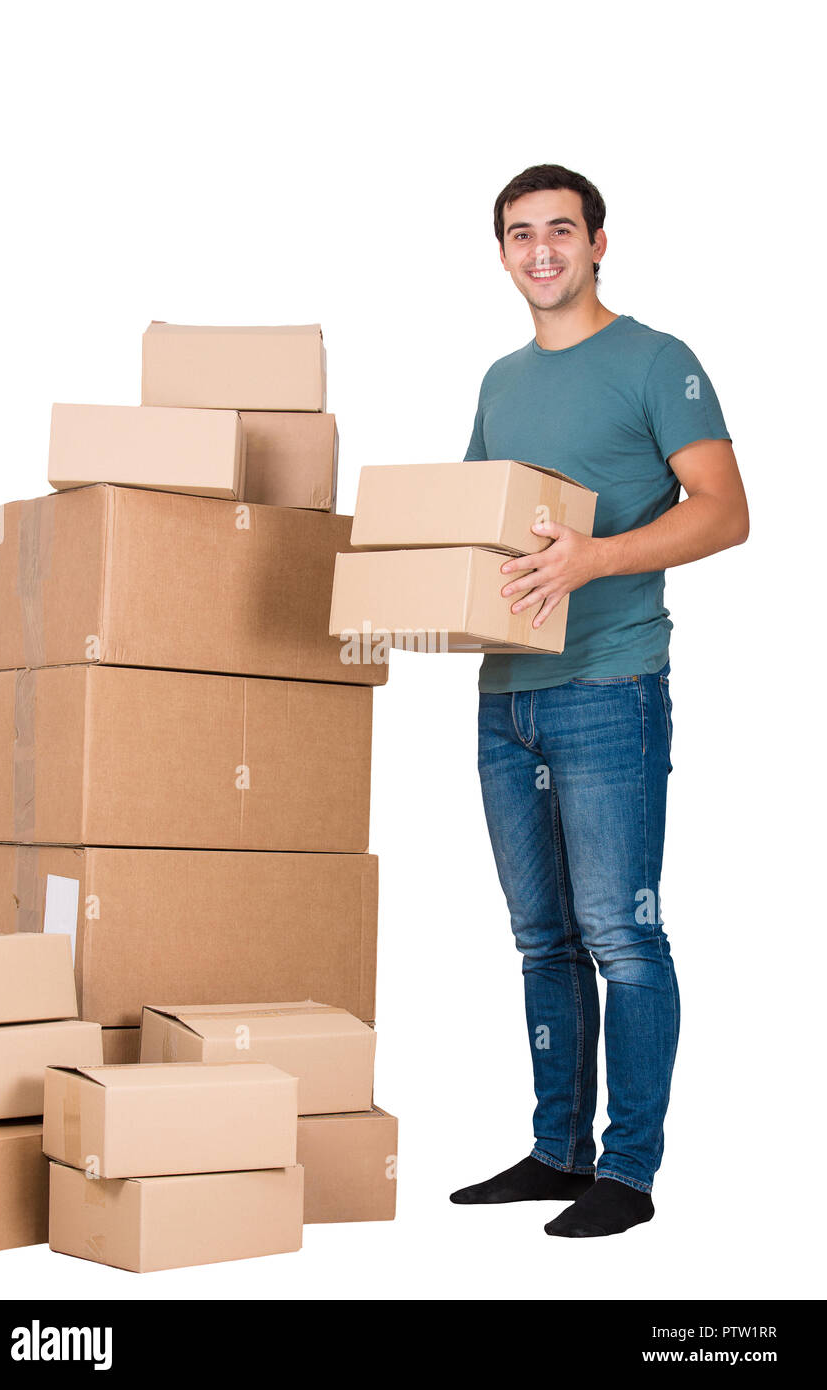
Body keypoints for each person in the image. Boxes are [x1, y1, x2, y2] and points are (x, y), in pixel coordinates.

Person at [449, 164, 748, 1237]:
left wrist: (594, 559)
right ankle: (553, 1149)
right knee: (541, 940)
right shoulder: (497, 379)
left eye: (559, 231)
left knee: (621, 937)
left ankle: (625, 1172)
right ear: (500, 253)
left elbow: (722, 512)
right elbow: (473, 526)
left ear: (597, 242)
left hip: (609, 684)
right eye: (519, 234)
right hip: (506, 695)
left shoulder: (654, 362)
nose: (541, 251)